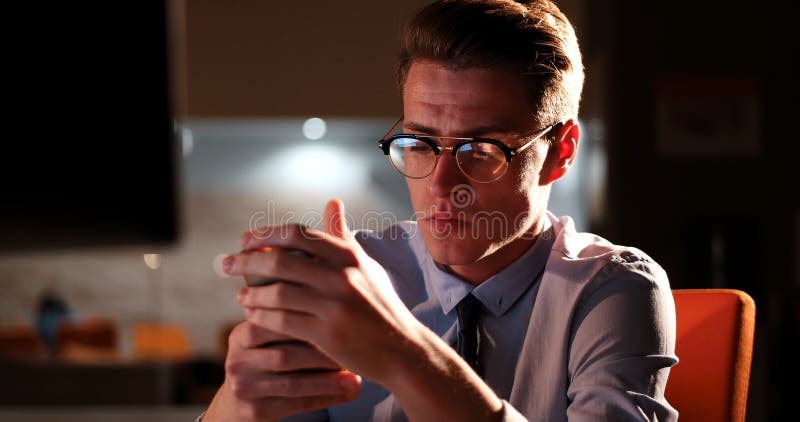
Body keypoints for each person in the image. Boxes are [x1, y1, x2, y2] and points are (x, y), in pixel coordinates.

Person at [202, 0, 678, 420]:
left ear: (561, 151)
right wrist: (237, 405)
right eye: (421, 143)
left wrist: (404, 353)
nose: (441, 183)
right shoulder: (350, 279)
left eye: (482, 148)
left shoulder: (611, 288)